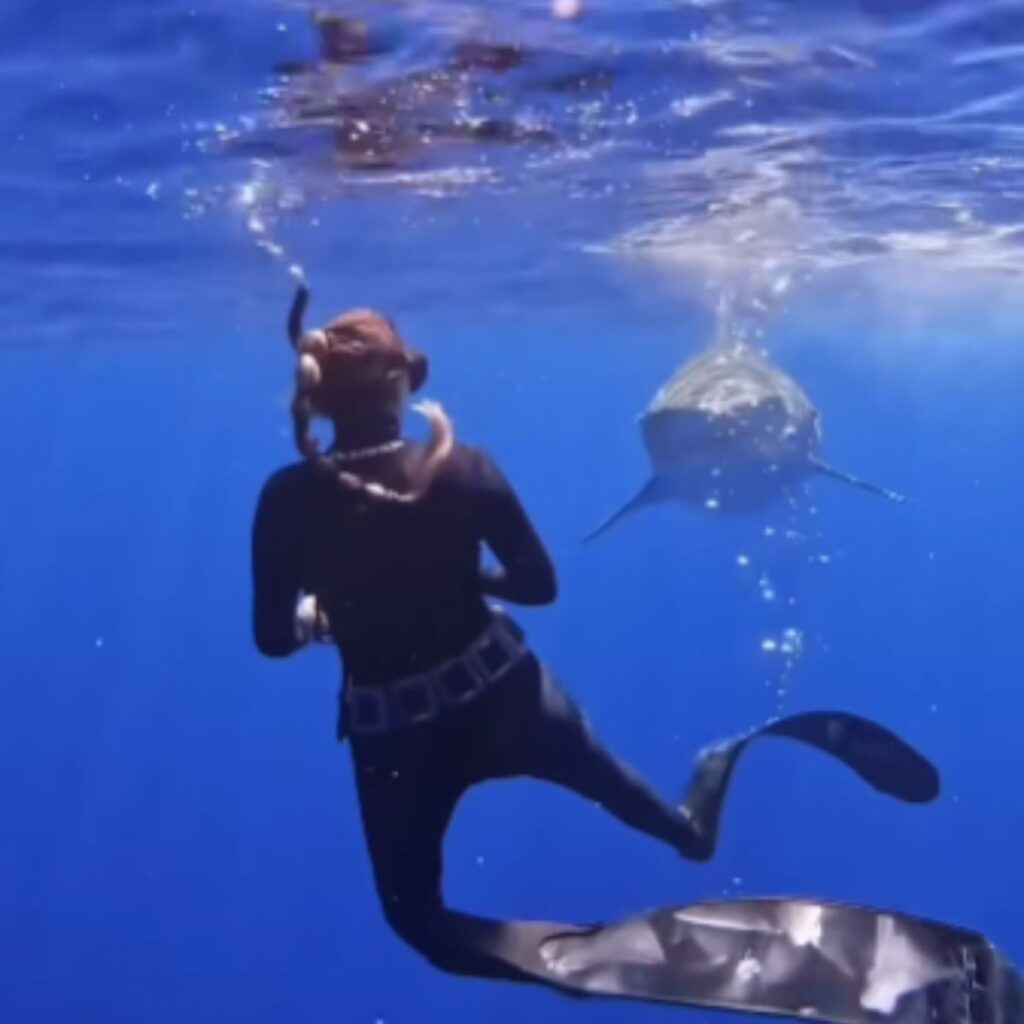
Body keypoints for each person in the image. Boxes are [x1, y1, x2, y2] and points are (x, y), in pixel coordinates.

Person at [251, 285, 981, 1009]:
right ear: (404, 382)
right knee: (688, 839)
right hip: (513, 701)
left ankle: (576, 961)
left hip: (396, 737)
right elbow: (539, 587)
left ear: (315, 397)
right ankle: (712, 774)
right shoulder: (466, 466)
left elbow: (272, 641)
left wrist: (326, 617)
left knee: (417, 920)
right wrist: (460, 577)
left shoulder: (284, 497)